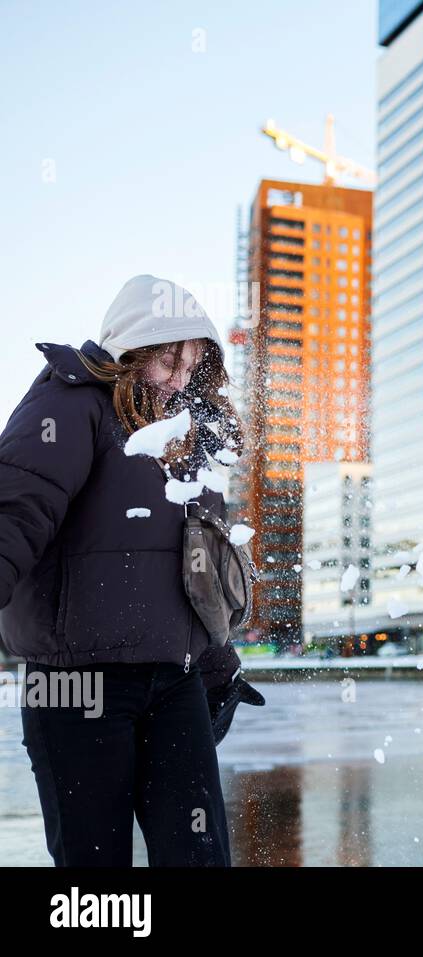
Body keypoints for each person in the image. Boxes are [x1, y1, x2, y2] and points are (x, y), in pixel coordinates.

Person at [0, 274, 261, 866]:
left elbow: (201, 569)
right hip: (74, 685)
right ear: (131, 348)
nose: (178, 379)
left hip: (175, 683)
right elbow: (15, 512)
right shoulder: (67, 405)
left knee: (198, 859)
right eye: (168, 361)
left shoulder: (185, 438)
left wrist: (218, 664)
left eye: (190, 367)